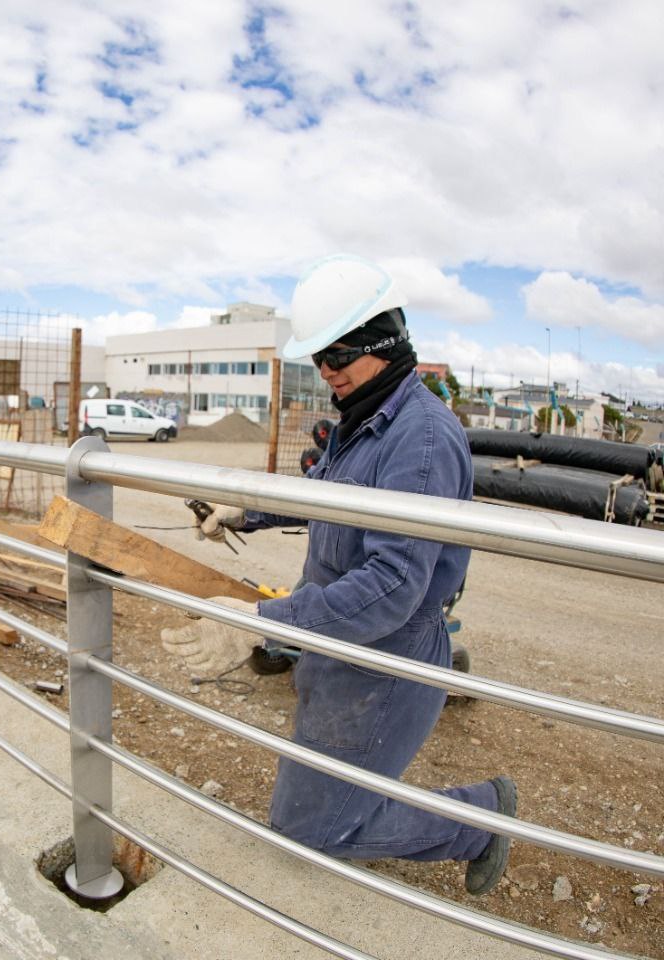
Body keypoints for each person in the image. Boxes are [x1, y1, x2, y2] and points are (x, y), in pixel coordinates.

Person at [163, 254, 514, 894]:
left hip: (386, 654)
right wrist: (248, 510)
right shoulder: (367, 419)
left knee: (311, 831)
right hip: (331, 637)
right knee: (314, 806)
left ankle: (481, 819)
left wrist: (257, 623)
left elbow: (390, 588)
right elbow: (323, 491)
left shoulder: (423, 440)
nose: (326, 371)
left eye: (338, 356)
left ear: (382, 342)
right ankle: (381, 806)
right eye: (318, 357)